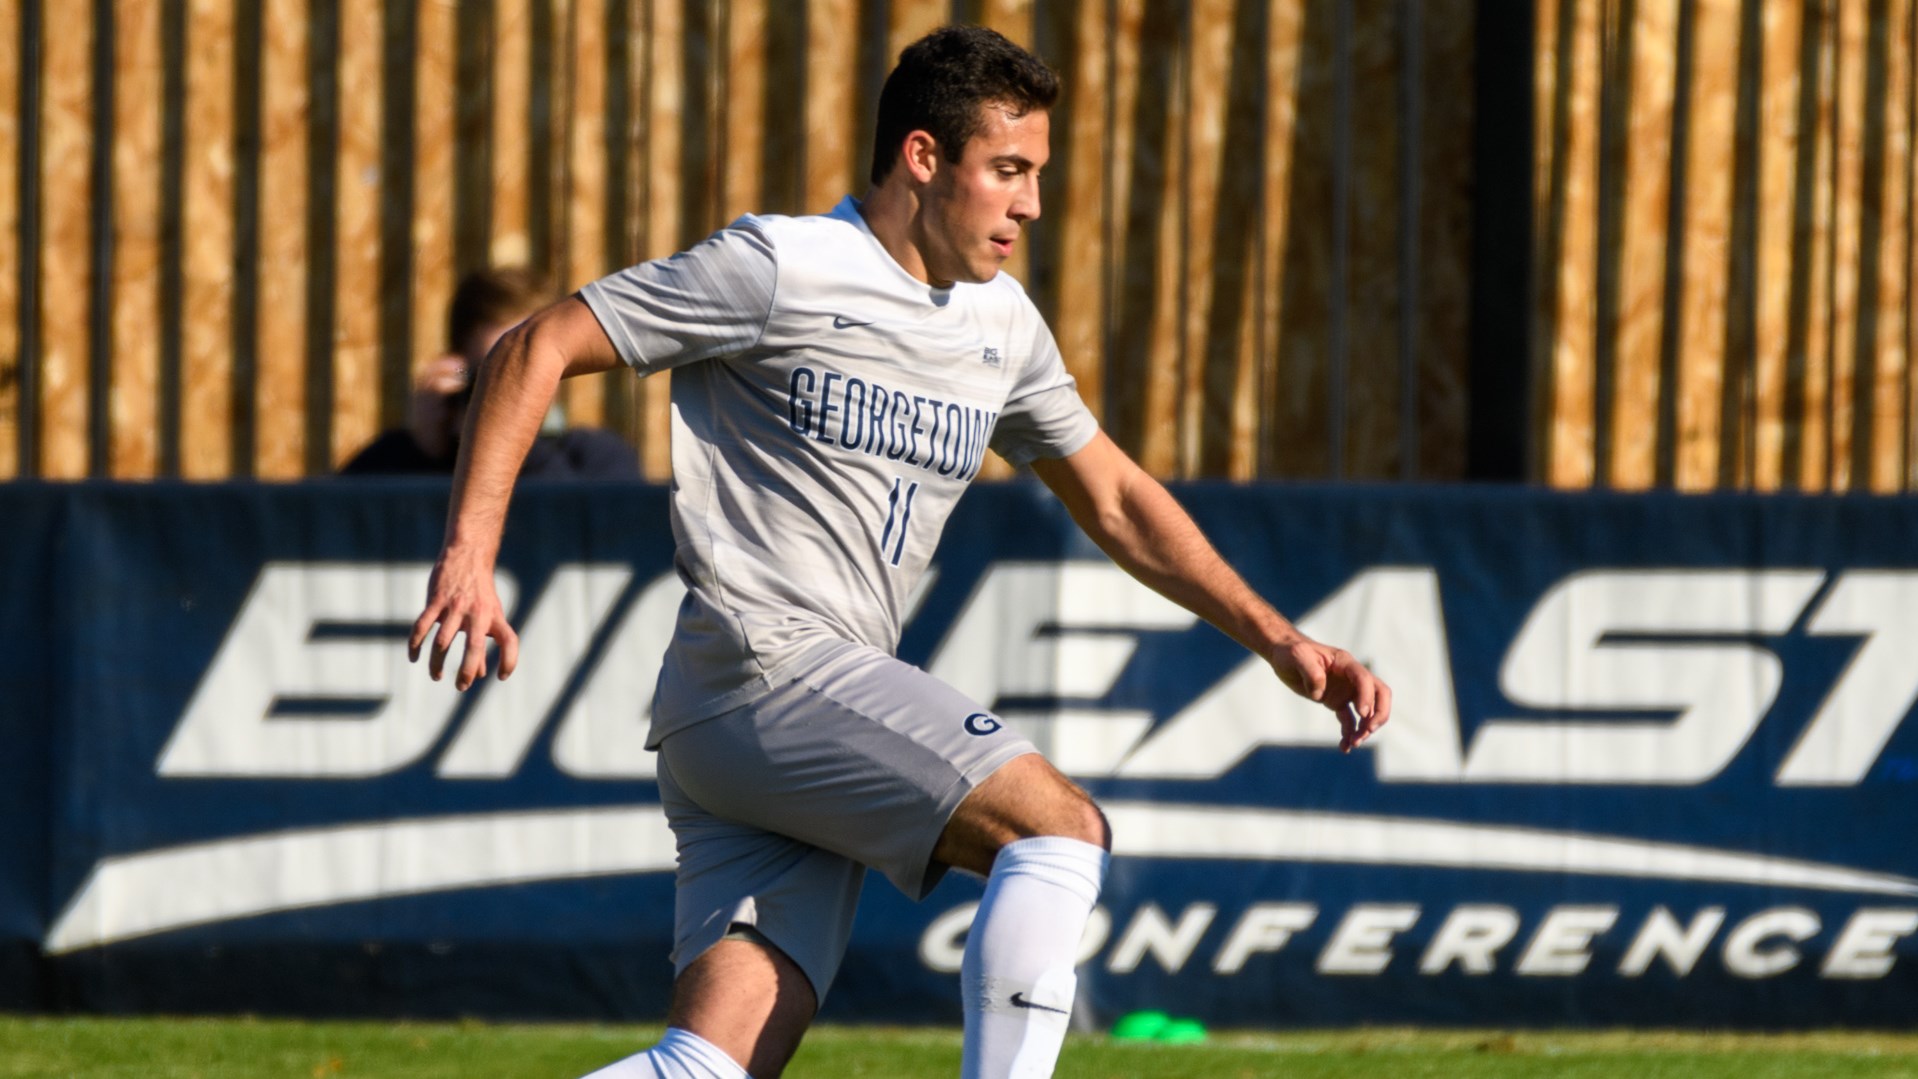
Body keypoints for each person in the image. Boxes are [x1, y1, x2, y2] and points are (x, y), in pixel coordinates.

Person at [409, 26, 1390, 1079]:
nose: (1032, 204)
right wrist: (469, 554)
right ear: (923, 156)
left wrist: (1277, 637)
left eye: (1038, 174)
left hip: (753, 723)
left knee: (707, 1066)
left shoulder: (1001, 326)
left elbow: (1115, 497)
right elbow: (535, 344)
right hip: (767, 667)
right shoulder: (781, 266)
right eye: (1008, 170)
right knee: (1057, 830)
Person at [339, 266, 640, 478]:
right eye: (490, 370)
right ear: (461, 369)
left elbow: (575, 527)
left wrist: (510, 446)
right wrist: (423, 456)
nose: (508, 383)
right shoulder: (391, 461)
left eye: (526, 365)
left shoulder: (598, 460)